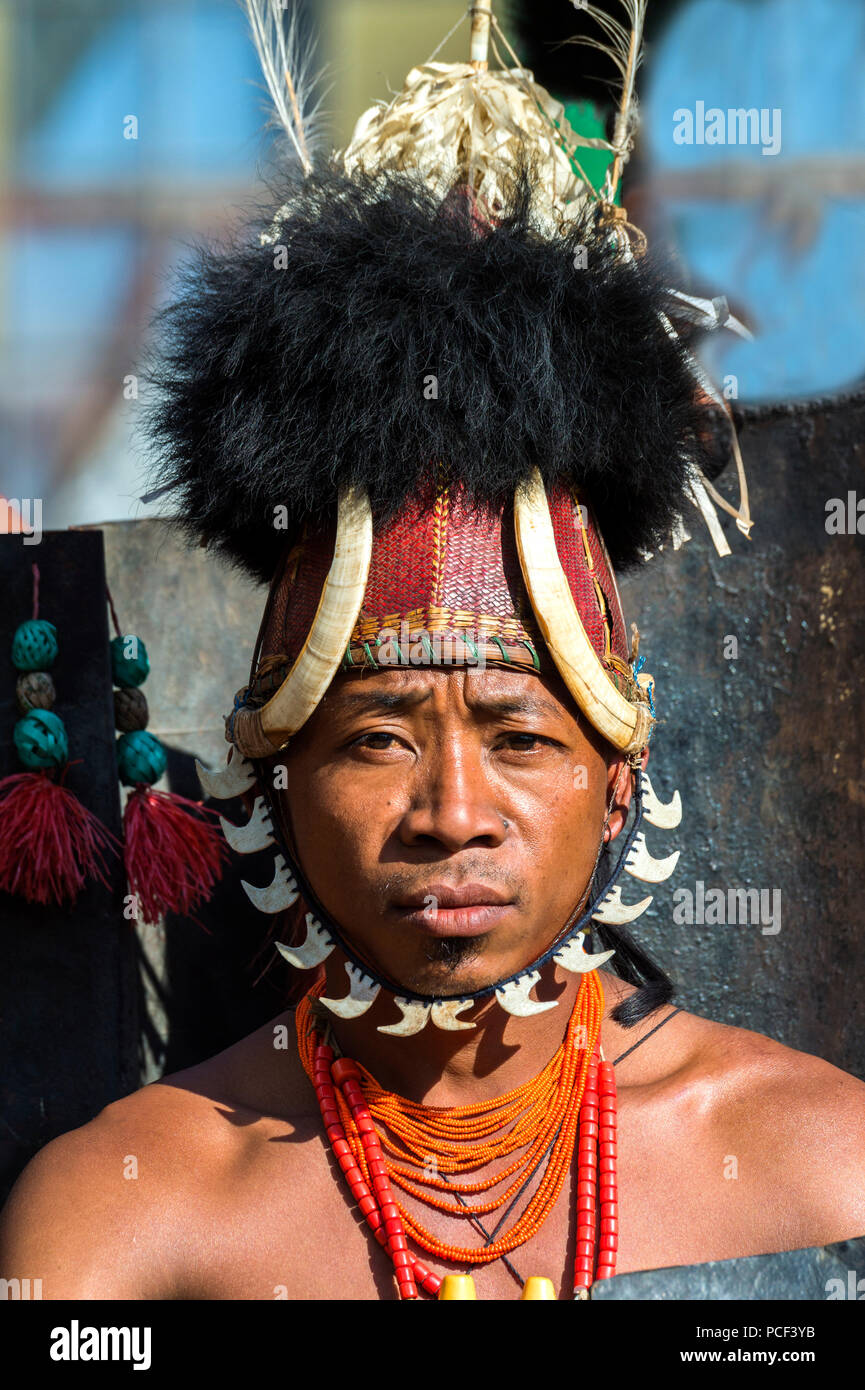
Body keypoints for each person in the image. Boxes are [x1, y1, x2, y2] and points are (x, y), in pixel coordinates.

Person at [2, 0, 863, 1300]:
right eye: (375, 738)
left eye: (519, 736)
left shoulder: (825, 1164)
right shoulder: (118, 1227)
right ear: (272, 774)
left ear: (621, 769)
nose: (451, 814)